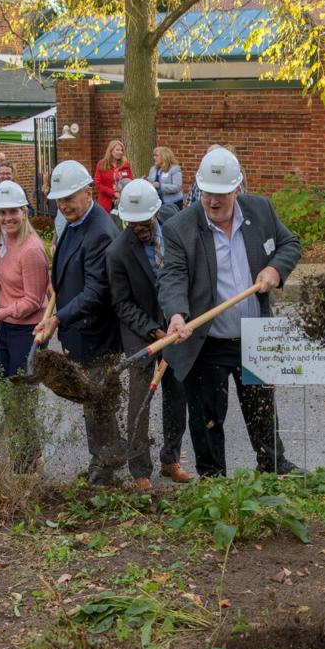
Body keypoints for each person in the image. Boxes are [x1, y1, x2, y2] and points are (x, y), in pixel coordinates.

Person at [158, 146, 302, 479]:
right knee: (207, 416)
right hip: (208, 340)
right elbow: (173, 276)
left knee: (262, 409)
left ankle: (272, 467)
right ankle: (212, 478)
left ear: (238, 188)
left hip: (255, 335)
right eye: (208, 193)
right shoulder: (181, 227)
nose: (213, 202)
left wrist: (275, 271)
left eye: (222, 194)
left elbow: (289, 244)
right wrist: (177, 315)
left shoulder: (260, 210)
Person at [35, 160, 125, 486]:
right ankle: (100, 462)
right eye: (59, 200)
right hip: (80, 332)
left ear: (89, 192)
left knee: (99, 402)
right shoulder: (74, 223)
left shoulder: (100, 231)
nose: (63, 205)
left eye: (70, 198)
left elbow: (96, 292)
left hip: (97, 336)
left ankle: (108, 468)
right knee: (91, 401)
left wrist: (58, 317)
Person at [106, 178, 192, 490]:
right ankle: (139, 468)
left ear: (156, 213)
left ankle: (170, 459)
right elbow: (121, 304)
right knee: (140, 401)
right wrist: (153, 330)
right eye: (133, 224)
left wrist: (179, 316)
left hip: (177, 325)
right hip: (143, 334)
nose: (140, 229)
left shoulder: (173, 224)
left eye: (144, 223)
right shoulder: (117, 253)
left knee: (177, 394)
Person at [0, 181, 49, 379]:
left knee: (20, 393)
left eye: (13, 211)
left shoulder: (31, 250)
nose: (7, 218)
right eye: (2, 213)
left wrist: (0, 314)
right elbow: (10, 262)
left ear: (24, 212)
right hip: (8, 324)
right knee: (5, 386)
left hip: (27, 329)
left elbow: (33, 301)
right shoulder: (6, 238)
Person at [93, 139, 132, 215]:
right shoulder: (102, 164)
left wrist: (121, 196)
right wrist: (114, 193)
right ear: (111, 151)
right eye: (117, 150)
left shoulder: (126, 165)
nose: (120, 152)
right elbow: (98, 184)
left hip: (123, 203)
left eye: (121, 150)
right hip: (106, 203)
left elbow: (130, 183)